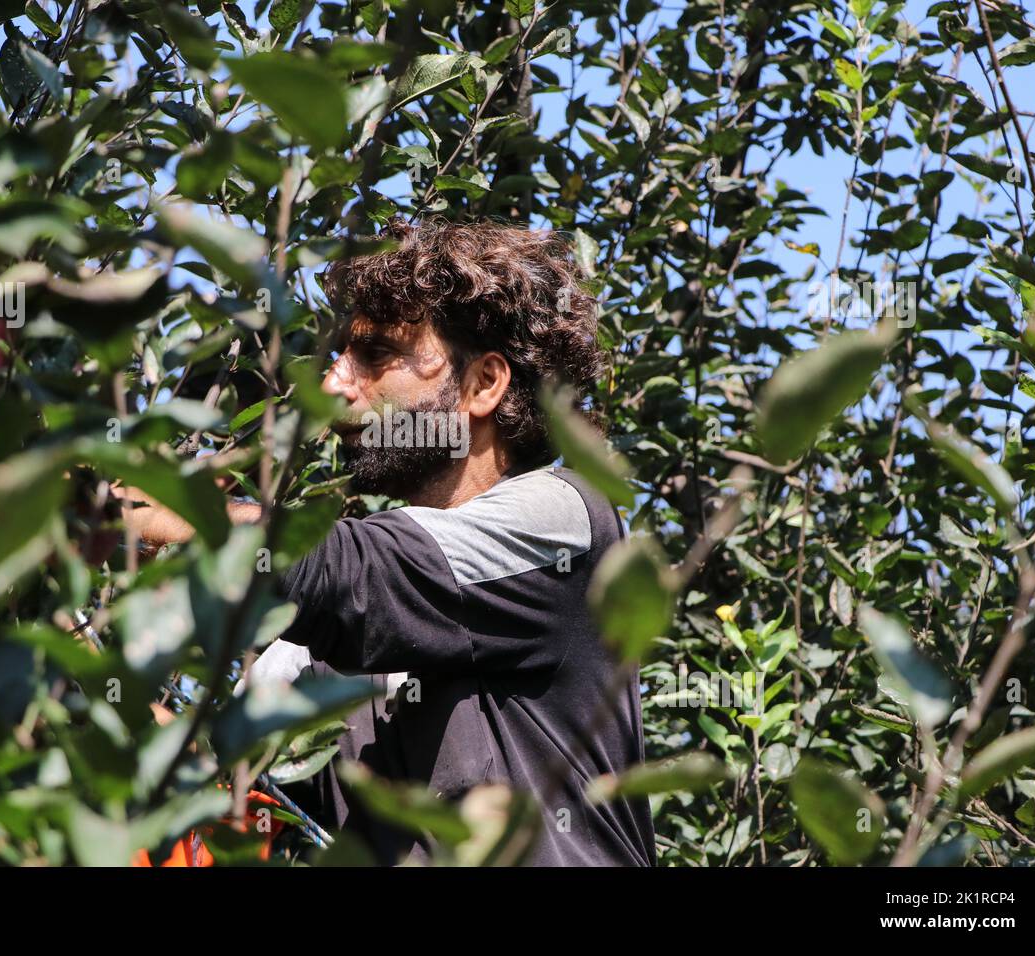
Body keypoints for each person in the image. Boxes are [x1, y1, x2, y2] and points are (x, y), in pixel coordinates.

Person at [121, 218, 655, 866]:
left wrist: (160, 514)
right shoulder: (307, 658)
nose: (333, 386)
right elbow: (210, 801)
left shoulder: (564, 522)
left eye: (374, 358)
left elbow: (350, 571)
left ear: (484, 384)